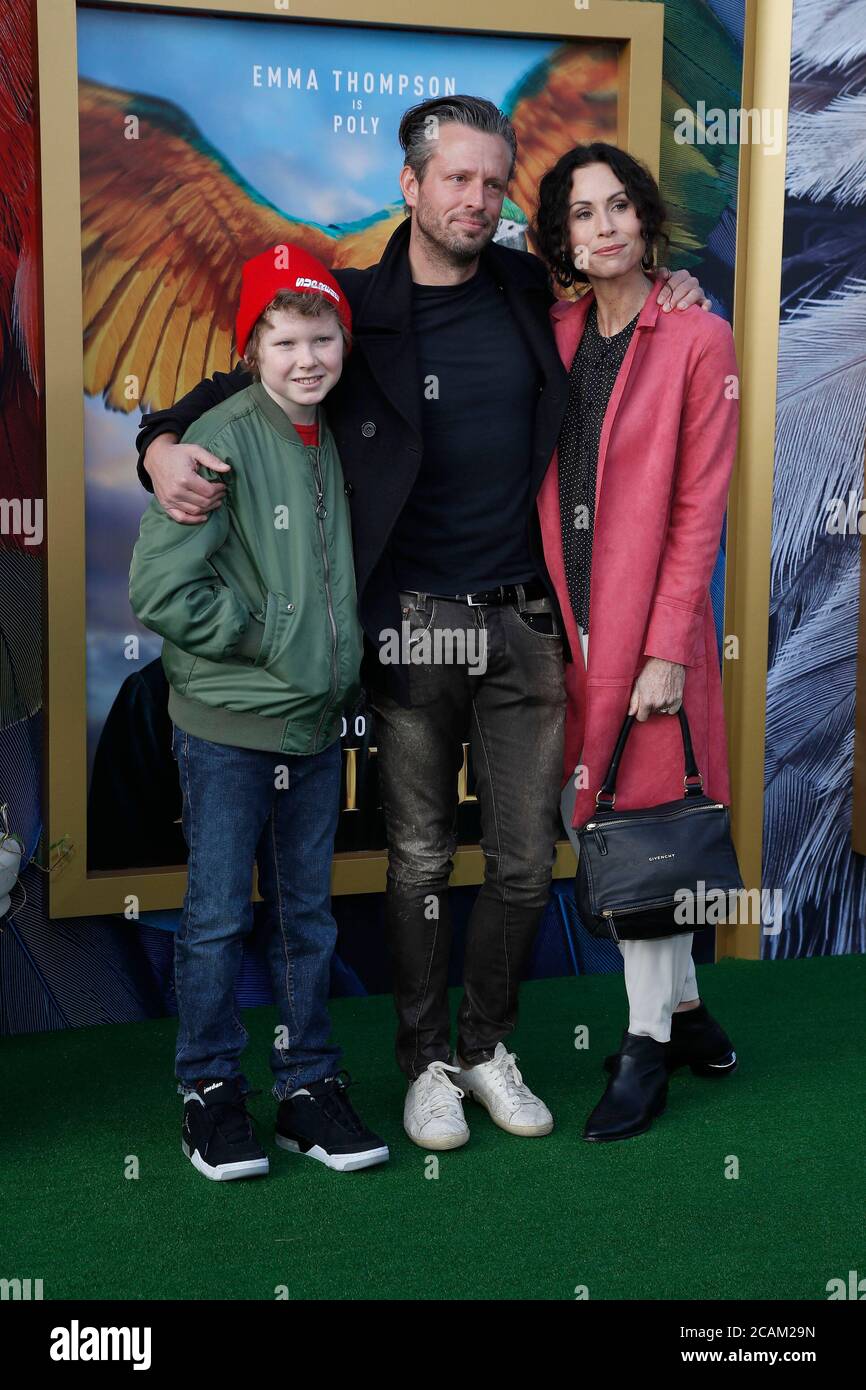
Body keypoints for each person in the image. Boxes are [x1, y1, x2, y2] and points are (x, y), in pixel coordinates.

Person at [134, 97, 708, 1152]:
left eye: (493, 183)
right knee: (415, 862)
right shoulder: (353, 307)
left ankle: (486, 1044)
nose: (476, 201)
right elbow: (237, 381)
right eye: (456, 179)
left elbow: (627, 320)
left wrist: (666, 285)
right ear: (410, 185)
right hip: (404, 626)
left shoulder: (531, 287)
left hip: (524, 621)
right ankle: (422, 1064)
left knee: (527, 861)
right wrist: (158, 443)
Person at [129, 244, 389, 1179]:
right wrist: (278, 635)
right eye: (283, 341)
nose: (306, 358)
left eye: (321, 338)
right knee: (213, 920)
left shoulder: (340, 438)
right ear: (252, 349)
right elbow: (159, 589)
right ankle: (209, 1090)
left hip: (316, 729)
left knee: (307, 918)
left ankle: (307, 1088)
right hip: (230, 729)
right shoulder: (215, 440)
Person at [533, 142, 739, 1142]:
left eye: (618, 206)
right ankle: (690, 1018)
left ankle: (645, 1047)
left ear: (644, 217)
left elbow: (700, 506)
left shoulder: (699, 337)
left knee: (645, 834)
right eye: (581, 213)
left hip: (646, 625)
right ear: (560, 235)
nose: (603, 226)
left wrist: (665, 646)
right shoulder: (554, 326)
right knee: (603, 819)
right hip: (567, 623)